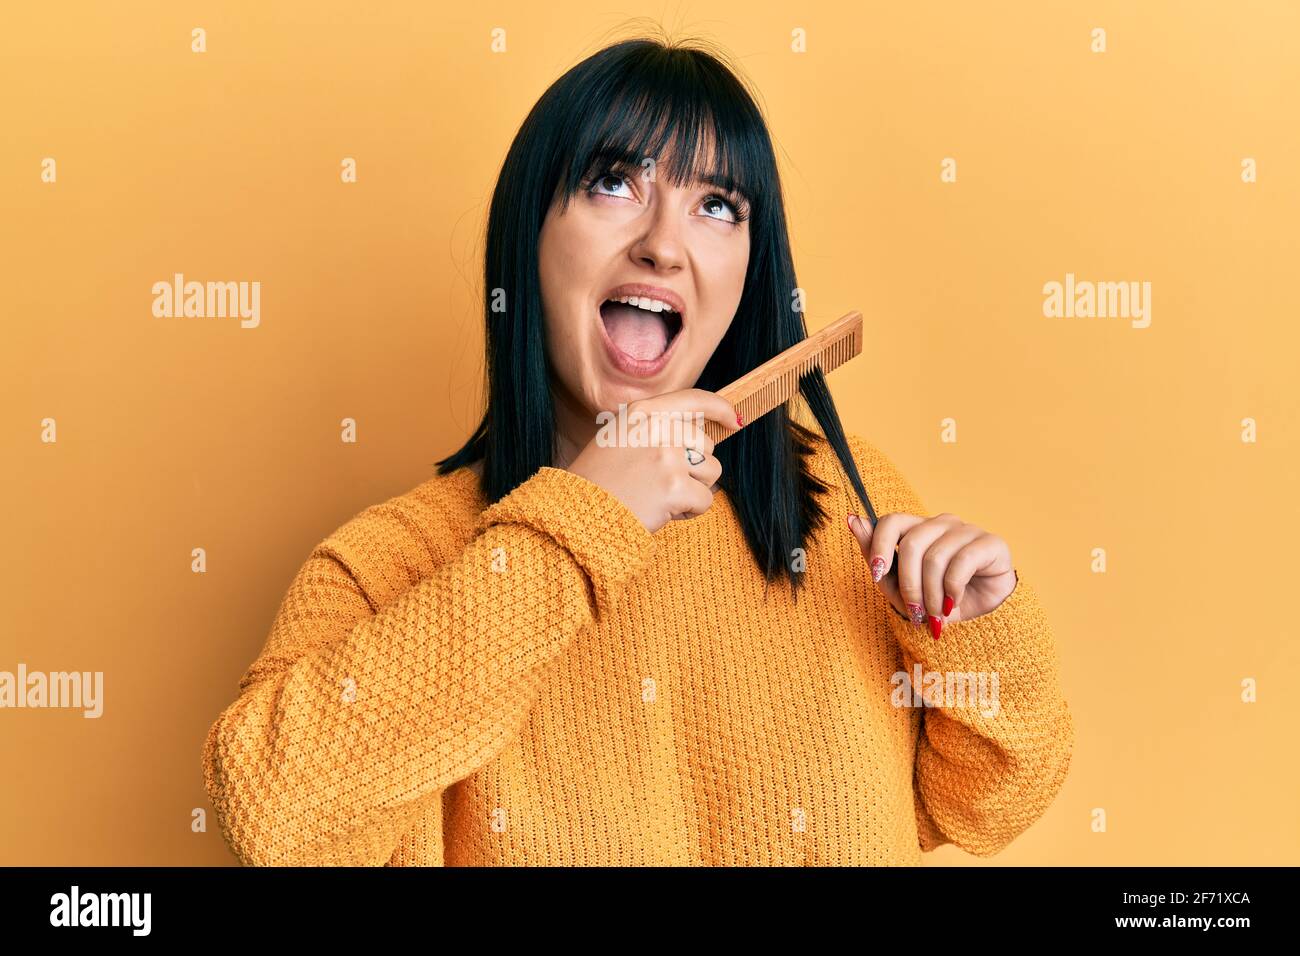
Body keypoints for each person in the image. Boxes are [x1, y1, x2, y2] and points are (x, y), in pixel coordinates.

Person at [201, 35, 1074, 866]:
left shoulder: (842, 499)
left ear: (748, 270)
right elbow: (273, 821)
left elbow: (984, 805)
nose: (663, 242)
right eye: (615, 183)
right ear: (529, 234)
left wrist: (979, 632)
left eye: (717, 205)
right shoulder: (391, 562)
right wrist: (581, 522)